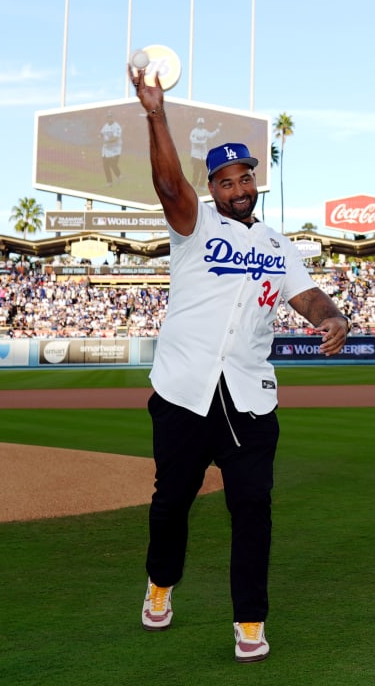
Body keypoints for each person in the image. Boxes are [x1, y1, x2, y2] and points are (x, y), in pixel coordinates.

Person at [131, 64, 350, 663]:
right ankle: (160, 583)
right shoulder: (193, 225)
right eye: (224, 181)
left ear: (256, 181)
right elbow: (169, 186)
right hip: (183, 390)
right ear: (213, 189)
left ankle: (249, 621)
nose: (236, 188)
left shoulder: (279, 245)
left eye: (244, 177)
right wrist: (156, 113)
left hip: (250, 398)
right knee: (171, 501)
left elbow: (307, 297)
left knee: (252, 508)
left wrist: (332, 318)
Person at [189, 117, 224, 188]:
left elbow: (211, 135)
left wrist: (218, 130)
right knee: (196, 171)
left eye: (202, 124)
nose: (200, 125)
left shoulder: (205, 131)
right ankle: (194, 184)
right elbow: (193, 140)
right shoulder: (194, 131)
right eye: (199, 123)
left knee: (205, 171)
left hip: (204, 155)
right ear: (197, 124)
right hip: (196, 155)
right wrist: (202, 142)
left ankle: (201, 185)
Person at [101, 111, 124, 187]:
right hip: (106, 149)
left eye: (110, 117)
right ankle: (109, 182)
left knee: (113, 164)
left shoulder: (116, 126)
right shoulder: (105, 126)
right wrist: (100, 137)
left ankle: (119, 176)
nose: (109, 118)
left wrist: (106, 141)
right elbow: (101, 134)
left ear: (113, 117)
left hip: (115, 149)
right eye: (108, 117)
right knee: (105, 165)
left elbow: (116, 138)